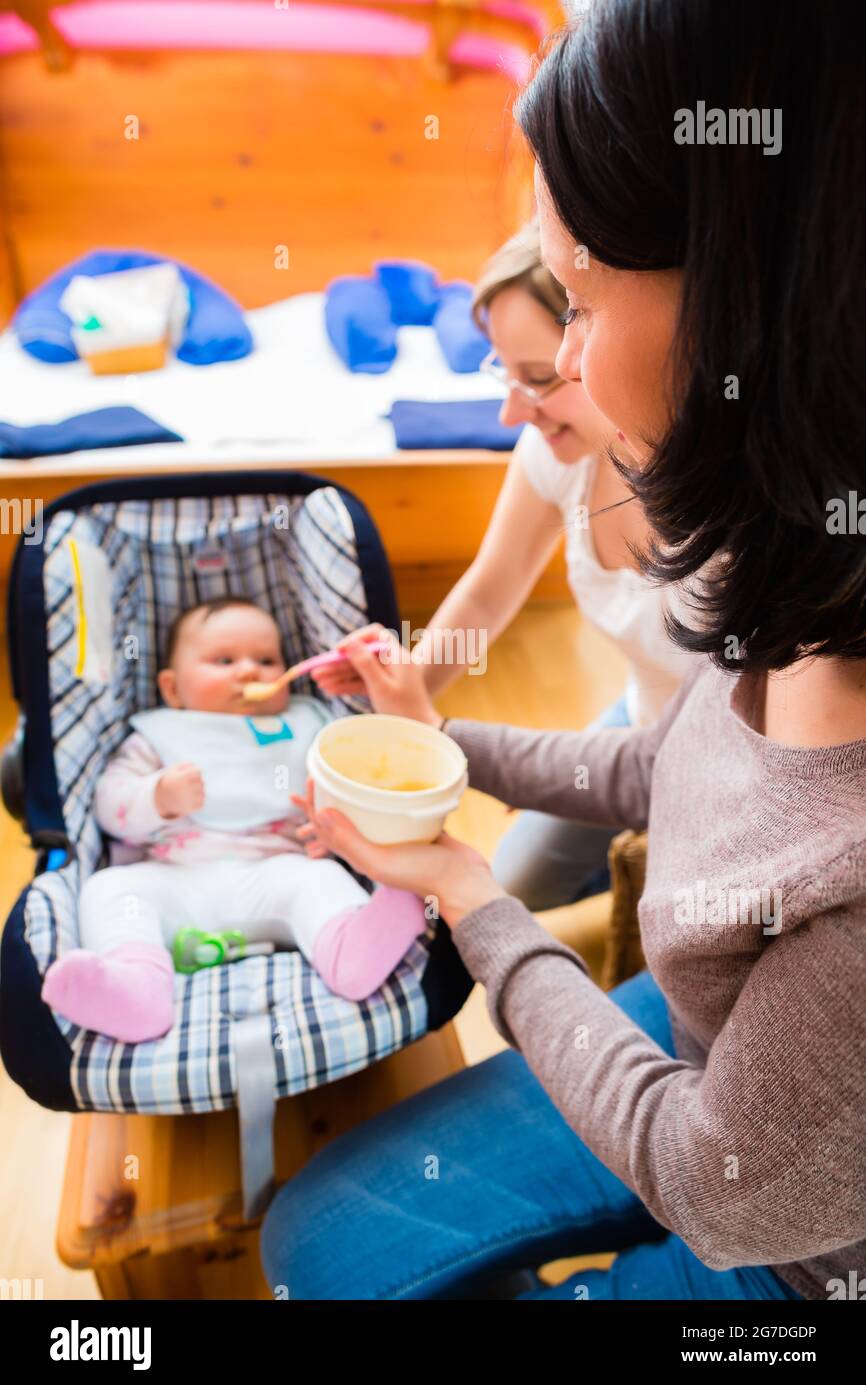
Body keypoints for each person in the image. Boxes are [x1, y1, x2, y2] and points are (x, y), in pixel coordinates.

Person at [260, 0, 866, 1300]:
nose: (549, 387)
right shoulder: (790, 577)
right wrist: (431, 740)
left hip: (793, 1250)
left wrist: (472, 892)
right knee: (314, 1241)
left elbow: (717, 1187)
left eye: (578, 307)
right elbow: (667, 760)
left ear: (767, 309)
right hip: (703, 1030)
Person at [315, 220, 700, 910]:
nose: (507, 412)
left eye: (538, 380)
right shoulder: (559, 457)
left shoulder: (736, 513)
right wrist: (397, 702)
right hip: (639, 730)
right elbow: (490, 594)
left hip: (720, 775)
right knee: (515, 880)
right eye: (502, 371)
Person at [40, 597, 428, 1041]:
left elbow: (345, 791)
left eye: (266, 660)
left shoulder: (306, 726)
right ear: (171, 689)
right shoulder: (158, 734)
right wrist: (158, 797)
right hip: (174, 877)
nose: (248, 671)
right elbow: (110, 807)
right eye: (223, 660)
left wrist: (336, 837)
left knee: (319, 882)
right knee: (109, 889)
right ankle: (138, 990)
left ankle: (353, 951)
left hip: (278, 871)